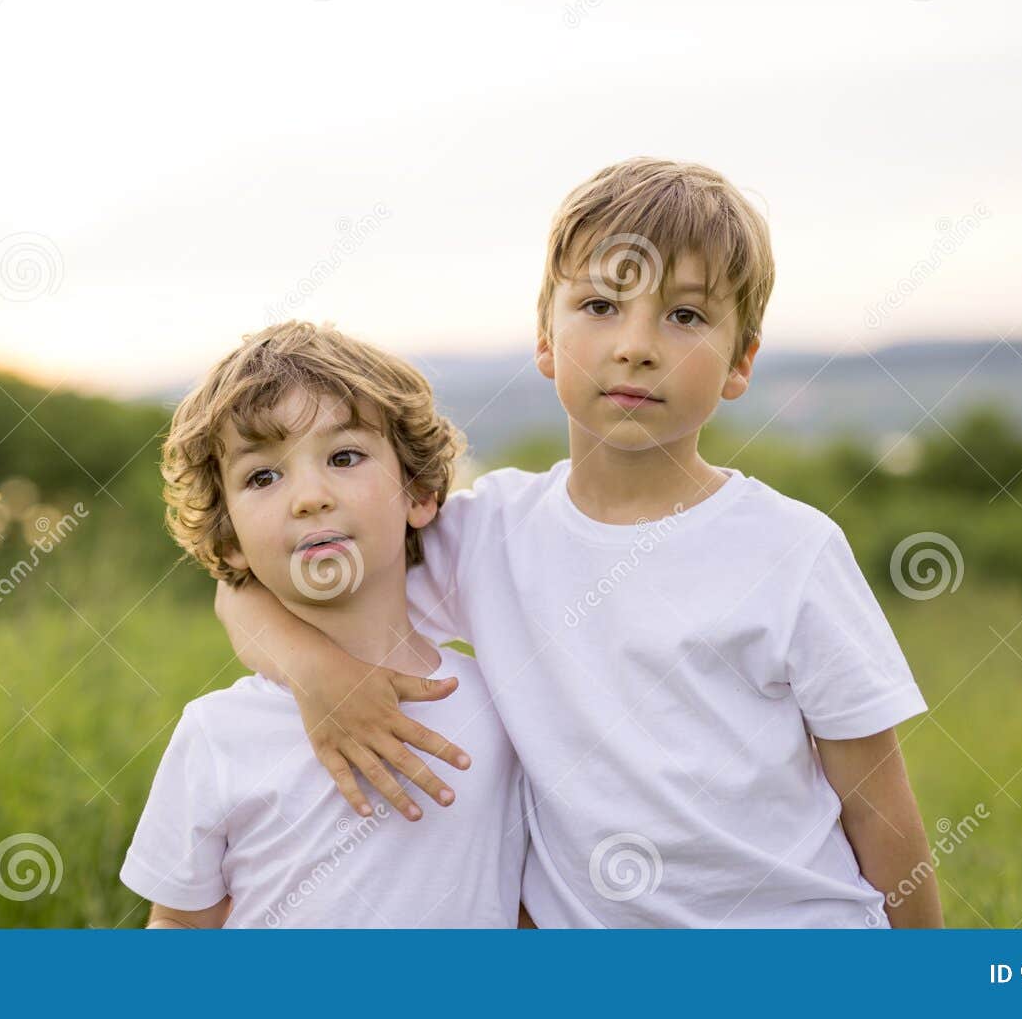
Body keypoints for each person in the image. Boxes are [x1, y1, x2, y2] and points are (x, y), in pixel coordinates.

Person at [215, 158, 943, 927]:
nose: (635, 345)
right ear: (544, 339)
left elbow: (879, 808)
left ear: (741, 362)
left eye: (686, 316)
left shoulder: (792, 550)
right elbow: (245, 587)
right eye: (599, 304)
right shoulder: (484, 533)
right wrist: (317, 674)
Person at [120, 321, 526, 927]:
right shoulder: (217, 734)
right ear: (229, 537)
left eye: (344, 457)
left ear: (417, 493)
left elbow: (521, 905)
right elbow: (178, 926)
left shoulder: (501, 706)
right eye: (263, 476)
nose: (309, 496)